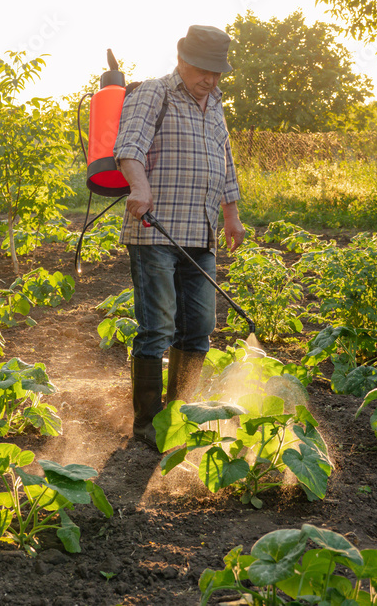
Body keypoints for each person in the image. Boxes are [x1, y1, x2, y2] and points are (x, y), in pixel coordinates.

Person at [113, 24, 245, 449]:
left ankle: (180, 415)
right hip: (156, 231)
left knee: (200, 329)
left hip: (200, 233)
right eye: (204, 70)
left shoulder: (217, 104)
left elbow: (224, 163)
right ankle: (148, 426)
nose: (211, 79)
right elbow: (129, 147)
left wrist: (232, 215)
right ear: (183, 61)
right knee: (158, 328)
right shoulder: (155, 93)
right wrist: (140, 186)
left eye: (217, 73)